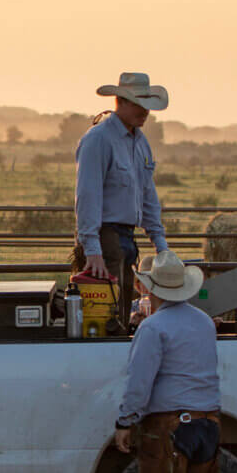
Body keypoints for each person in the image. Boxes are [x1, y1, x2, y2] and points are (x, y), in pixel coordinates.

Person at [113, 250, 228, 473]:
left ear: (151, 289)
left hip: (169, 427)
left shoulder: (153, 328)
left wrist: (125, 421)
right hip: (207, 422)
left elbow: (139, 382)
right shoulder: (204, 322)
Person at [75, 72, 171, 334]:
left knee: (121, 309)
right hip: (105, 235)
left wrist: (160, 243)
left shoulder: (140, 143)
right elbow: (88, 195)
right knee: (105, 314)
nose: (145, 112)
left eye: (147, 105)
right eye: (139, 104)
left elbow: (148, 194)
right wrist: (92, 250)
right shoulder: (99, 139)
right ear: (121, 102)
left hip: (125, 237)